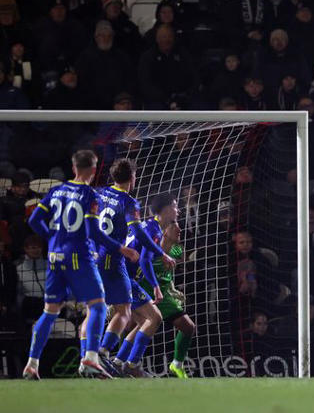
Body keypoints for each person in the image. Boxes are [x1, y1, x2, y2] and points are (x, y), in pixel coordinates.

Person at [23, 150, 140, 379]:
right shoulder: (89, 194)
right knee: (98, 306)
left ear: (73, 167)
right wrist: (121, 248)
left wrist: (52, 238)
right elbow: (94, 232)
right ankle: (91, 359)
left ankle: (32, 364)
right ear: (94, 170)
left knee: (50, 312)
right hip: (79, 257)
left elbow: (34, 219)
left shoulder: (56, 190)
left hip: (54, 257)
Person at [94, 159, 174, 377]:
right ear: (132, 177)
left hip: (98, 258)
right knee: (144, 316)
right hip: (115, 263)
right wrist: (162, 254)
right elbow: (140, 239)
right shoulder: (130, 203)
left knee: (137, 318)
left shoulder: (101, 193)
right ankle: (108, 356)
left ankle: (118, 361)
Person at [134, 193, 195, 378]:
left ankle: (176, 364)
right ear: (165, 229)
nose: (179, 229)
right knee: (129, 325)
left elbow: (166, 275)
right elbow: (141, 265)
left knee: (188, 327)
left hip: (162, 295)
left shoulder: (176, 250)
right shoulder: (151, 243)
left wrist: (172, 289)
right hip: (143, 291)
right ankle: (123, 363)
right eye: (175, 225)